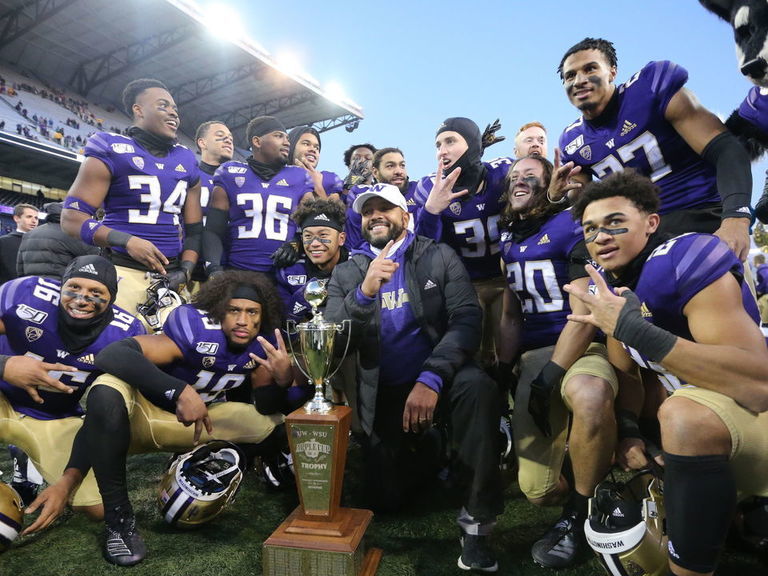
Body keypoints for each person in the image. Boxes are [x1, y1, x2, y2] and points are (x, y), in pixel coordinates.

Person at [566, 170, 768, 576]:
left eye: (614, 222)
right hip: (724, 424)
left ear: (652, 223)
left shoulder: (687, 255)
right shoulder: (612, 285)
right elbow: (627, 374)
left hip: (756, 409)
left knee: (684, 415)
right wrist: (629, 431)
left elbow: (757, 381)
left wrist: (633, 329)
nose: (601, 236)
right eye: (590, 229)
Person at [325, 184, 504, 573]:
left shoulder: (438, 255)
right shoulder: (347, 272)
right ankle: (434, 448)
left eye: (385, 208)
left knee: (478, 388)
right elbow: (331, 341)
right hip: (383, 388)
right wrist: (364, 294)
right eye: (367, 210)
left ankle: (476, 528)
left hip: (440, 375)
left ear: (405, 215)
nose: (375, 215)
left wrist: (431, 379)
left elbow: (467, 319)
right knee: (384, 499)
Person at [87, 270, 297, 565]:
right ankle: (119, 520)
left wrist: (283, 378)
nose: (242, 320)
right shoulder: (197, 332)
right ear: (218, 312)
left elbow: (266, 406)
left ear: (262, 317)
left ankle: (208, 457)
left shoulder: (259, 347)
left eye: (252, 312)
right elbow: (112, 354)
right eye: (233, 310)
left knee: (277, 426)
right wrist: (179, 390)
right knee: (106, 390)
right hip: (147, 414)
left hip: (198, 423)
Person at [497, 156, 617, 568]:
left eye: (530, 173)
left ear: (552, 183)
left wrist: (551, 375)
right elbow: (511, 315)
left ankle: (582, 514)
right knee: (538, 490)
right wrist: (502, 369)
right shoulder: (509, 238)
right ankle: (589, 472)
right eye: (513, 175)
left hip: (582, 344)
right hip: (534, 353)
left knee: (589, 393)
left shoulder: (571, 224)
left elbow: (585, 314)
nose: (519, 179)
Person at [554, 37, 752, 261]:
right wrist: (557, 197)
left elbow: (725, 148)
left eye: (590, 68)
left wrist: (736, 217)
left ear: (612, 72)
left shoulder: (649, 88)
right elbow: (585, 205)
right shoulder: (573, 141)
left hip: (703, 213)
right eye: (570, 75)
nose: (579, 80)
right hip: (641, 236)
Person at [0, 255, 145, 535]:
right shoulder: (26, 295)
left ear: (112, 298)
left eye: (96, 293)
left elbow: (101, 419)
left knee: (98, 508)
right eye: (74, 287)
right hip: (3, 397)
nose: (81, 299)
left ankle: (27, 455)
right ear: (61, 285)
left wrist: (66, 483)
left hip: (52, 417)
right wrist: (6, 365)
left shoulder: (125, 334)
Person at [61, 78, 203, 331]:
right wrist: (127, 241)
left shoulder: (186, 158)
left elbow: (194, 230)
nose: (173, 113)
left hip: (169, 279)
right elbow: (72, 218)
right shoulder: (111, 147)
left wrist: (186, 270)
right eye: (163, 106)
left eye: (175, 109)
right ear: (138, 110)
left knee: (172, 355)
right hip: (120, 270)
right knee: (112, 351)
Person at [414, 117, 512, 366]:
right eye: (437, 145)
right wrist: (431, 211)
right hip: (465, 284)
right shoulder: (429, 187)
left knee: (508, 353)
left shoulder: (503, 173)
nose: (442, 151)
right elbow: (423, 250)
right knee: (472, 355)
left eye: (450, 141)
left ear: (471, 143)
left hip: (507, 279)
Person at [203, 116, 314, 278]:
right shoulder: (230, 173)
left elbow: (312, 225)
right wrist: (214, 268)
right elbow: (213, 230)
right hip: (237, 272)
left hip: (283, 276)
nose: (287, 142)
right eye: (278, 136)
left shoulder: (298, 176)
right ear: (257, 141)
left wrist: (296, 244)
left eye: (287, 138)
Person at [276, 198, 348, 323]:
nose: (314, 243)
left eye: (323, 235)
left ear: (341, 239)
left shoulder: (358, 267)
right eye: (308, 236)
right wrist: (296, 309)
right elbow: (285, 330)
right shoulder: (289, 271)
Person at [344, 147, 419, 250]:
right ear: (375, 172)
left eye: (402, 165)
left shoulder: (419, 190)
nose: (398, 171)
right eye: (390, 166)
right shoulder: (361, 194)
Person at [190, 120, 234, 288]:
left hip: (226, 269)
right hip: (187, 265)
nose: (228, 140)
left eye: (230, 137)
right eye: (220, 136)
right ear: (202, 143)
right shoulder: (190, 176)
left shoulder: (241, 182)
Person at [17, 201, 99, 278]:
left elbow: (20, 269)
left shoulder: (28, 235)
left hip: (32, 287)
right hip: (60, 288)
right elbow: (96, 259)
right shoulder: (73, 234)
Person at [287, 125, 343, 200]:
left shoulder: (330, 179)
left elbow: (334, 211)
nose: (313, 150)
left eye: (317, 147)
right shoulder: (274, 177)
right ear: (291, 146)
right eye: (306, 144)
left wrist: (317, 186)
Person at [0, 203, 38, 284]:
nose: (34, 221)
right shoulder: (3, 242)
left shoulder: (41, 243)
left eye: (36, 218)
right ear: (17, 218)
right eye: (29, 217)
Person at [754, 253, 768, 324]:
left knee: (760, 304)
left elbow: (766, 279)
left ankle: (765, 323)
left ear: (756, 261)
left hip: (766, 293)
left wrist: (759, 289)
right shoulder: (766, 268)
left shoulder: (762, 269)